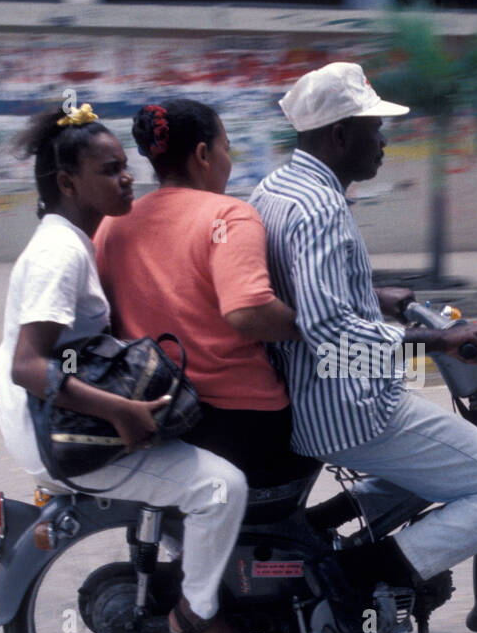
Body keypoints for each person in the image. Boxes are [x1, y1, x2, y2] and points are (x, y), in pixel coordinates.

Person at [249, 61, 477, 633]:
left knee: (428, 466)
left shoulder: (279, 189)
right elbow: (332, 334)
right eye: (373, 129)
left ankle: (329, 533)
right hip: (348, 405)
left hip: (312, 393)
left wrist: (379, 298)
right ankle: (362, 576)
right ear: (339, 136)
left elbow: (310, 290)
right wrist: (439, 342)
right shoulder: (323, 210)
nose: (383, 142)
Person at [0, 104, 267, 633]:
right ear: (68, 182)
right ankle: (197, 615)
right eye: (110, 170)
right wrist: (122, 411)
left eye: (126, 166)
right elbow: (28, 364)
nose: (127, 179)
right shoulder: (60, 253)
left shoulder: (79, 238)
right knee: (222, 488)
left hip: (50, 422)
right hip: (59, 434)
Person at [94, 99, 317, 488]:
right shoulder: (229, 215)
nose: (228, 161)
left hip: (156, 412)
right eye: (226, 149)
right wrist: (311, 326)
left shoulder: (114, 225)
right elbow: (248, 311)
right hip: (244, 423)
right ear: (202, 154)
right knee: (329, 426)